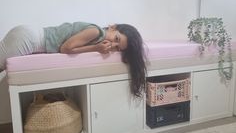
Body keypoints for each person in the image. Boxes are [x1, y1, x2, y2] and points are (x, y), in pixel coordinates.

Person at [0, 22, 147, 97]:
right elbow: (65, 48)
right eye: (116, 38)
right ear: (113, 27)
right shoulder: (96, 31)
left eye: (117, 47)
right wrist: (96, 48)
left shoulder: (99, 35)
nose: (113, 45)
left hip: (31, 39)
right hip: (29, 38)